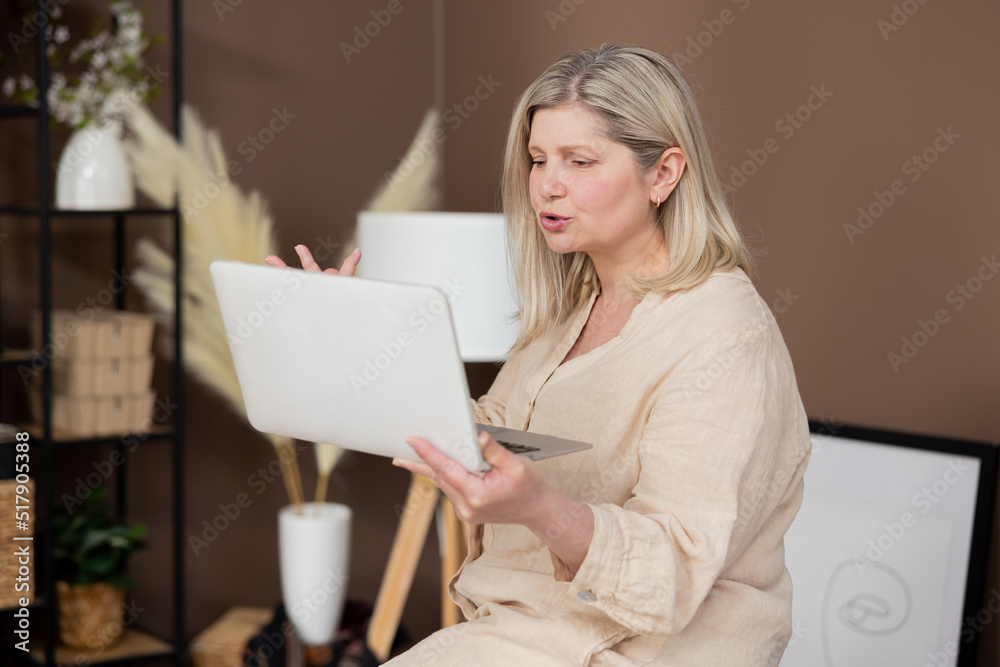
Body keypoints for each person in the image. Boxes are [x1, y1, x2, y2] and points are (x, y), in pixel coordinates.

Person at [268, 44, 811, 666]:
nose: (548, 185)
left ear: (664, 173)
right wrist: (354, 341)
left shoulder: (724, 334)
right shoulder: (569, 309)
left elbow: (672, 576)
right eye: (537, 159)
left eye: (580, 161)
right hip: (523, 633)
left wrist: (540, 510)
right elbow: (478, 430)